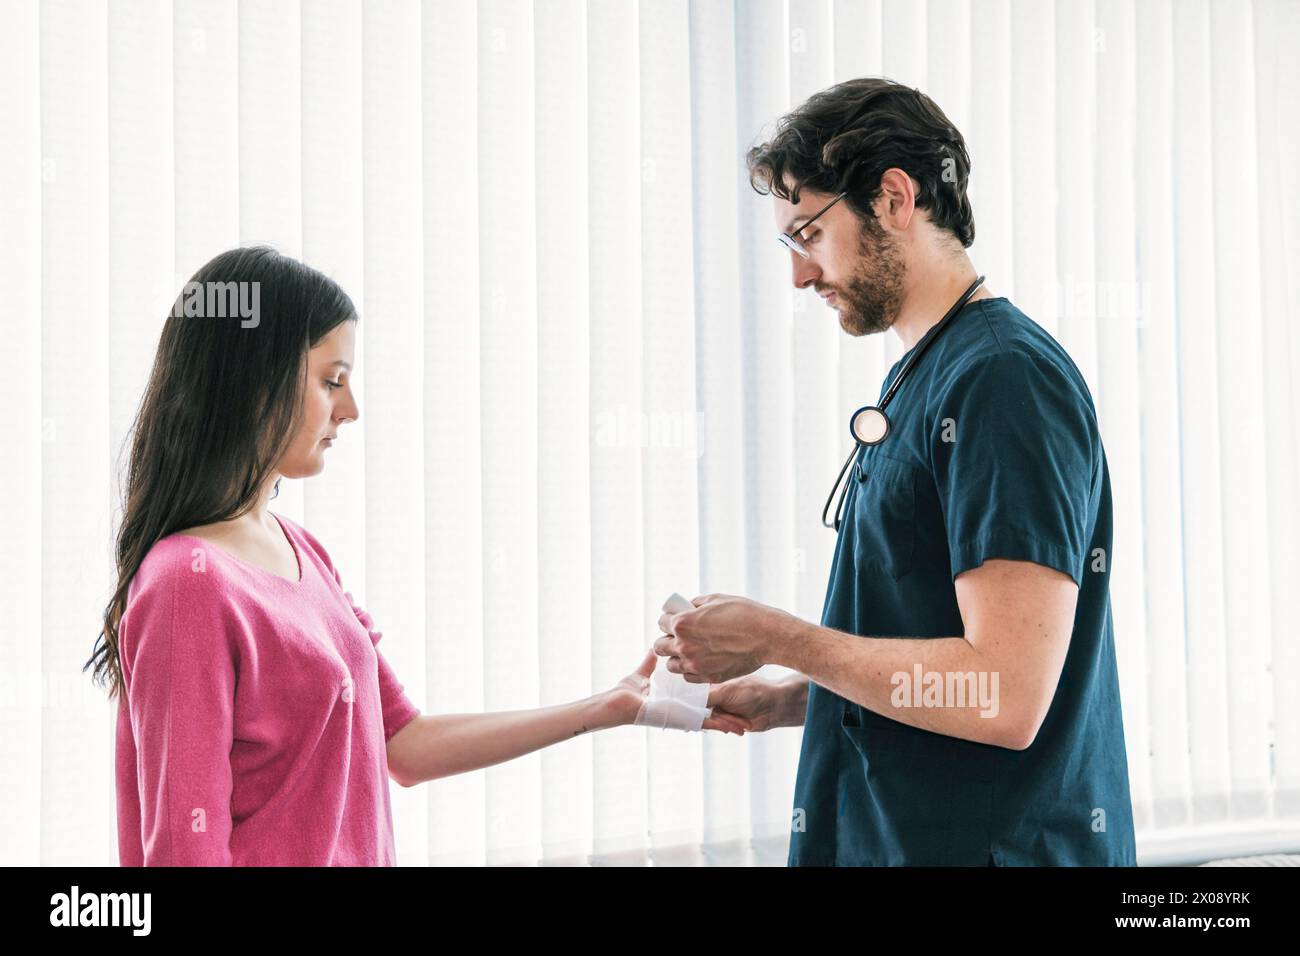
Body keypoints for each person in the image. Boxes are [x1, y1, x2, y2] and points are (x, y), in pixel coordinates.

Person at [87, 246, 748, 866]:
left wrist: (609, 706)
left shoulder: (302, 551)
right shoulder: (186, 583)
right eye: (331, 379)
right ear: (251, 381)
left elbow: (404, 744)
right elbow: (183, 848)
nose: (350, 409)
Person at [657, 77, 1137, 866]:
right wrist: (793, 700)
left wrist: (783, 638)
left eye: (806, 234)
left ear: (892, 198)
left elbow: (1002, 694)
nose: (799, 276)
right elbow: (933, 651)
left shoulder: (1003, 380)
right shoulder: (925, 377)